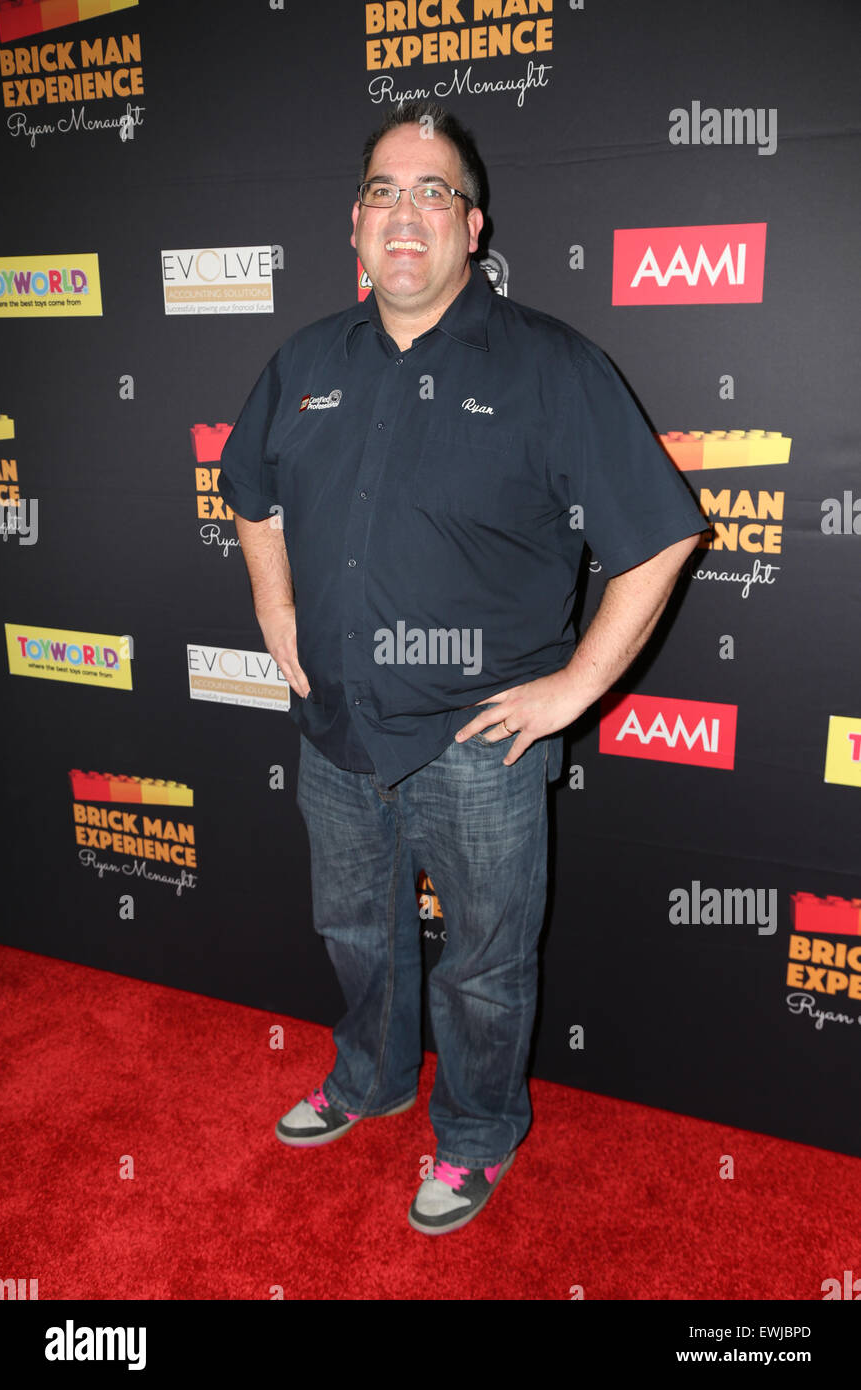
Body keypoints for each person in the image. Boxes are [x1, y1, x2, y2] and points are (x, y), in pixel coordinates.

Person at [218, 100, 706, 1237]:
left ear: (470, 227)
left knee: (482, 969)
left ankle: (478, 1135)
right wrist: (273, 600)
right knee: (354, 933)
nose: (405, 213)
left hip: (477, 748)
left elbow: (661, 534)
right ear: (354, 223)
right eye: (385, 190)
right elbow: (247, 490)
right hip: (336, 726)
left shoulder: (551, 366)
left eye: (432, 193)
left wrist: (572, 691)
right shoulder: (303, 361)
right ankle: (371, 1077)